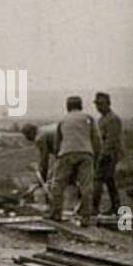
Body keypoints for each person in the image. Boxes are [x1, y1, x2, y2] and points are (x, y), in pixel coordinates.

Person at [51, 95, 100, 225]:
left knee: (58, 184)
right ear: (81, 105)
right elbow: (96, 139)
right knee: (86, 186)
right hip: (86, 153)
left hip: (66, 153)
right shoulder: (88, 118)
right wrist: (94, 155)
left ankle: (56, 213)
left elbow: (57, 143)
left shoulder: (63, 120)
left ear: (67, 106)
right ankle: (85, 218)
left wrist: (58, 157)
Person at [92, 91, 123, 217]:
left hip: (109, 154)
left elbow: (111, 140)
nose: (98, 107)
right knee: (109, 181)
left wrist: (103, 155)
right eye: (97, 104)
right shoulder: (101, 119)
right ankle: (116, 207)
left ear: (108, 104)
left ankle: (95, 208)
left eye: (101, 104)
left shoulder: (112, 119)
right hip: (103, 153)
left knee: (98, 179)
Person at [20, 121, 59, 193]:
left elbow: (44, 159)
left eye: (26, 135)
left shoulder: (39, 137)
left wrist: (43, 178)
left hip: (70, 148)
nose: (27, 138)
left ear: (31, 132)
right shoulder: (43, 130)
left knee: (59, 177)